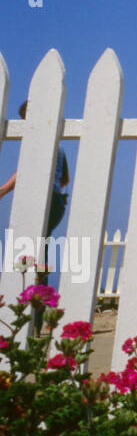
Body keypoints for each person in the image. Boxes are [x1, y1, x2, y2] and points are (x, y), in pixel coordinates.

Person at [0, 101, 70, 332]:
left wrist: (3, 190)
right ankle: (40, 317)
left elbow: (24, 171)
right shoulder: (58, 146)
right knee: (38, 257)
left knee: (30, 257)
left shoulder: (38, 142)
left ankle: (35, 318)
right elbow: (64, 180)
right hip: (57, 201)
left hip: (45, 200)